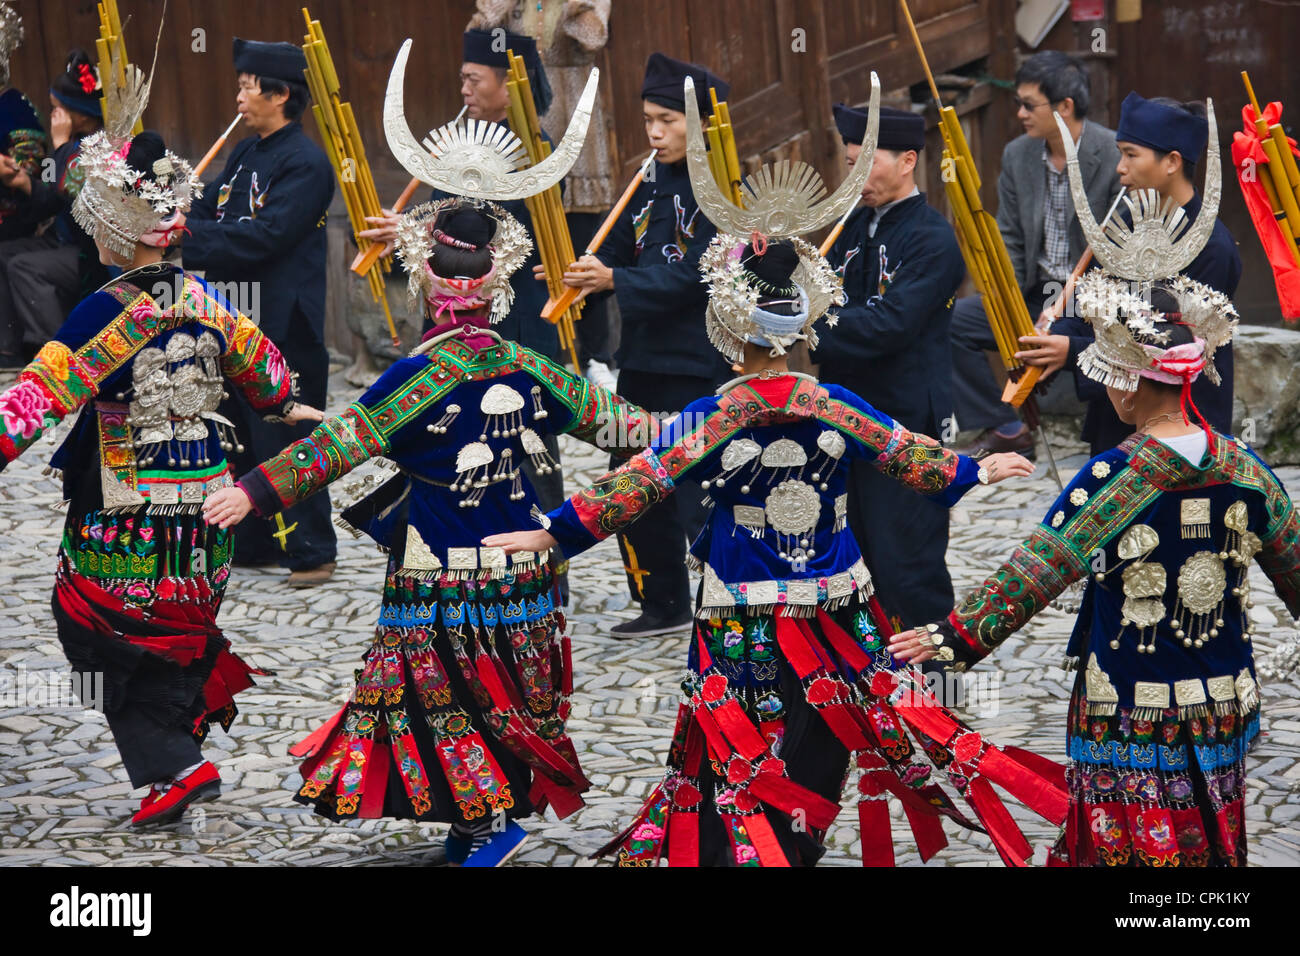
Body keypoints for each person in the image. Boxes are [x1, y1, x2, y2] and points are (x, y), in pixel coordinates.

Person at [485, 231, 1056, 867]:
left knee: (736, 726)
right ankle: (799, 840)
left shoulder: (712, 414)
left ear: (730, 338)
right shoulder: (834, 403)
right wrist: (975, 469)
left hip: (740, 602)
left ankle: (747, 846)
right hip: (837, 600)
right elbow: (906, 453)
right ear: (803, 329)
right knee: (828, 720)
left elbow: (642, 479)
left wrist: (555, 533)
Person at [203, 71, 655, 866]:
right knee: (501, 690)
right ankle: (480, 818)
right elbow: (619, 425)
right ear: (494, 286)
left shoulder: (414, 376)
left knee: (439, 693)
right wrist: (711, 419)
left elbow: (340, 452)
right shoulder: (528, 364)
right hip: (520, 560)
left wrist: (251, 490)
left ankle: (490, 823)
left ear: (427, 286)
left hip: (440, 565)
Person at [890, 112, 1300, 866]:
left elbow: (1034, 574)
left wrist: (946, 643)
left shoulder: (1115, 477)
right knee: (1213, 852)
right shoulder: (1247, 471)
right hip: (1220, 708)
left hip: (1131, 715)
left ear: (1125, 388)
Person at [0, 104, 319, 826]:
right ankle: (176, 752)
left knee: (94, 625)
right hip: (207, 511)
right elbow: (270, 379)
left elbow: (34, 402)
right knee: (179, 625)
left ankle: (174, 763)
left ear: (111, 232)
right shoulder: (207, 300)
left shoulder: (101, 312)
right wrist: (289, 408)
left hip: (125, 511)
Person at [542, 52, 731, 637]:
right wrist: (591, 271)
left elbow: (700, 275)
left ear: (701, 124)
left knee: (701, 487)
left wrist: (617, 280)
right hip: (642, 362)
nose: (654, 131)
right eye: (649, 118)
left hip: (699, 361)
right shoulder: (645, 184)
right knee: (632, 478)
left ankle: (725, 601)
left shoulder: (729, 191)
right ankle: (660, 601)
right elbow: (619, 251)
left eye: (668, 120)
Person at [179, 38, 337, 586]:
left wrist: (188, 236)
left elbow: (266, 237)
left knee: (287, 433)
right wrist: (177, 212)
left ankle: (312, 550)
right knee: (238, 430)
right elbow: (210, 203)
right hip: (234, 314)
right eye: (242, 84)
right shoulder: (247, 152)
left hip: (283, 317)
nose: (240, 95)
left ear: (281, 94)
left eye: (249, 86)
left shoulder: (307, 163)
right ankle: (251, 543)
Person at [809, 101, 966, 635]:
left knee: (906, 557)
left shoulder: (932, 239)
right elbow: (828, 297)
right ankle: (866, 681)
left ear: (907, 161)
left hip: (905, 420)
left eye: (866, 164)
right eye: (848, 162)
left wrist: (812, 320)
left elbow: (891, 325)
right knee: (852, 551)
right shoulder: (850, 227)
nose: (855, 177)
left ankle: (931, 683)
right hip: (842, 418)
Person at [1020, 92, 1242, 456]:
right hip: (1117, 414)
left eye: (1130, 154)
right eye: (1120, 153)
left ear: (1171, 161)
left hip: (1180, 425)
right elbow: (1089, 298)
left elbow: (1176, 348)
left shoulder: (1211, 247)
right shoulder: (1126, 223)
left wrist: (1072, 350)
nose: (1120, 168)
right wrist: (1054, 337)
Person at [950, 50, 1121, 457]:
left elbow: (1119, 250)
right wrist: (1002, 301)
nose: (1021, 114)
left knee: (1069, 339)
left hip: (1092, 300)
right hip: (1031, 293)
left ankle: (1109, 437)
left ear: (1065, 106)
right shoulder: (1019, 154)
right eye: (1018, 104)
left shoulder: (1115, 153)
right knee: (953, 320)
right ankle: (1007, 427)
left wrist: (1072, 308)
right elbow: (1007, 234)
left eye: (1030, 105)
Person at [0, 49, 106, 359]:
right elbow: (49, 193)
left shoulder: (99, 147)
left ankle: (58, 353)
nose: (52, 117)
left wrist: (59, 147)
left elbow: (69, 190)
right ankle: (9, 349)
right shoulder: (71, 146)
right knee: (4, 253)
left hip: (88, 253)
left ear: (82, 114)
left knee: (24, 267)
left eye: (57, 110)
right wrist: (23, 182)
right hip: (59, 239)